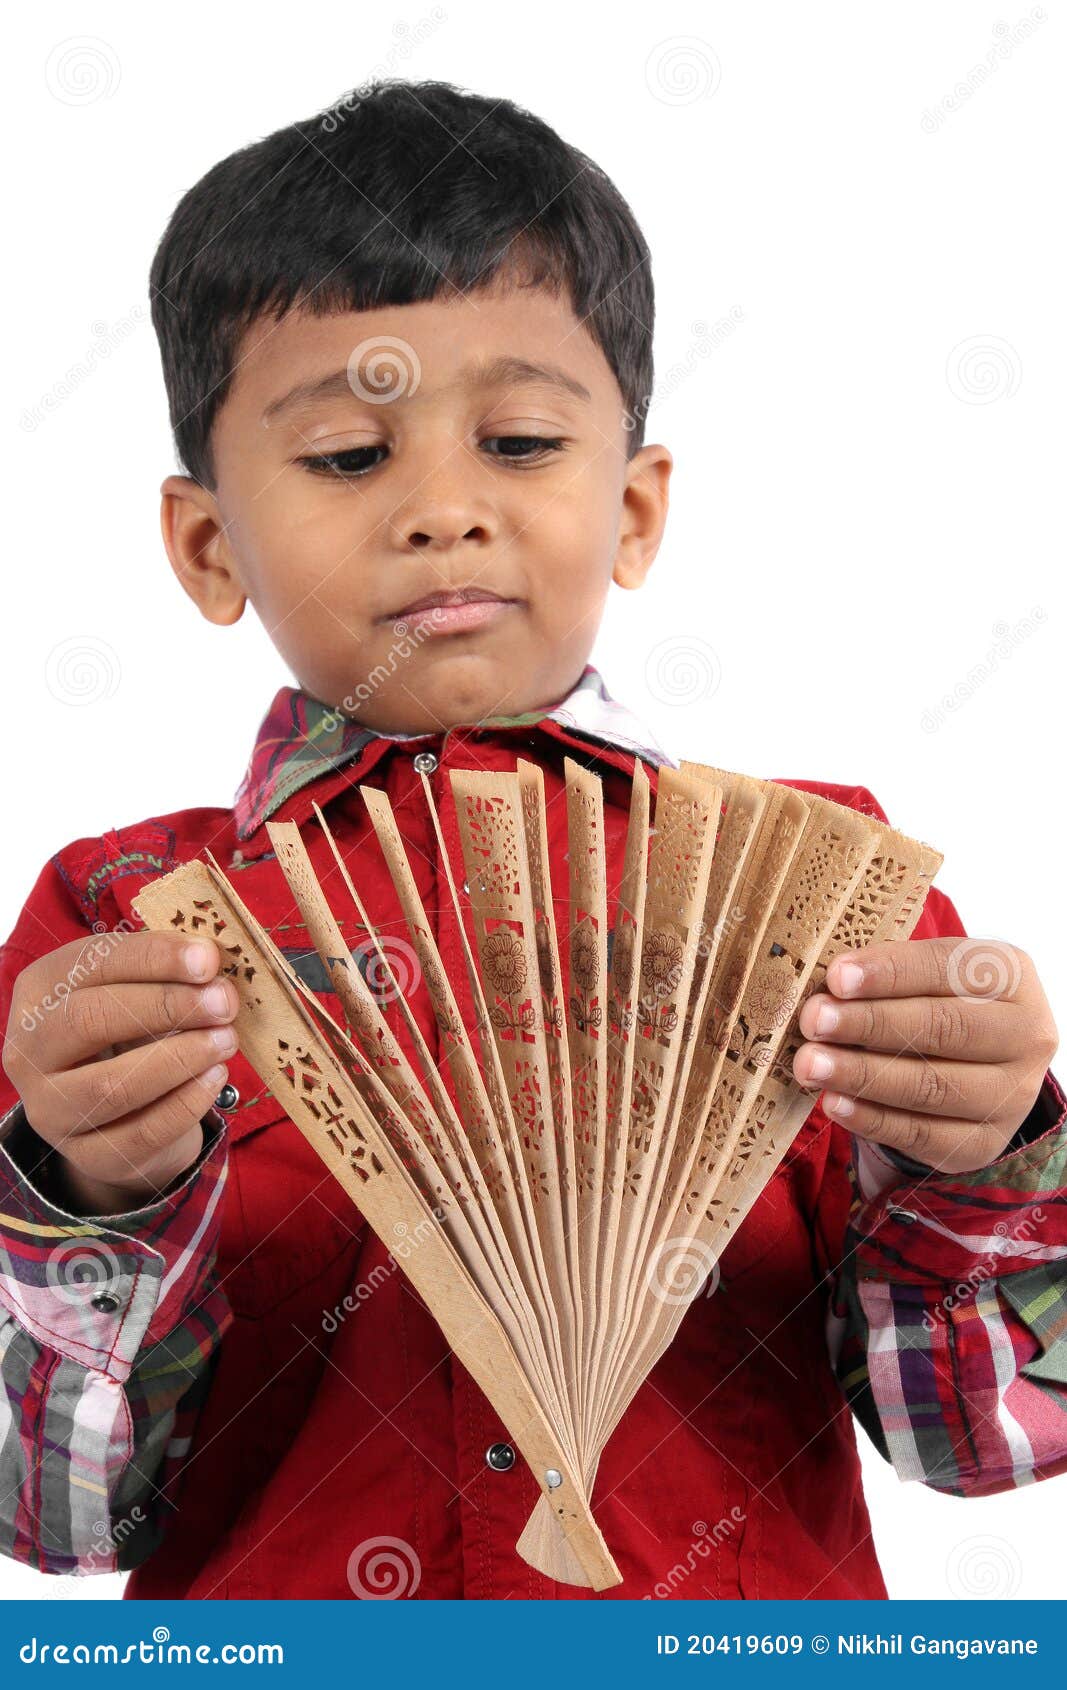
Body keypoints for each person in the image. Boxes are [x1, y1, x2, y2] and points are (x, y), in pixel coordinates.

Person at [1, 79, 1063, 1602]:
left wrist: (994, 1148)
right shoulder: (119, 925)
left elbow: (981, 1440)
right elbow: (51, 1515)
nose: (444, 508)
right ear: (206, 546)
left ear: (632, 509)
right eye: (349, 458)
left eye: (517, 439)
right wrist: (85, 1194)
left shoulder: (817, 890)